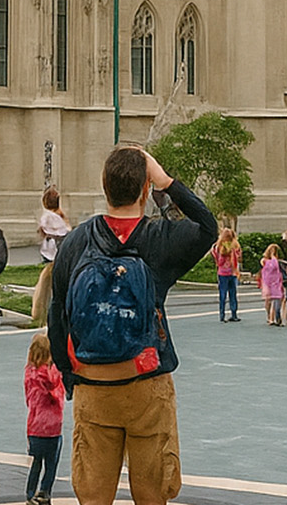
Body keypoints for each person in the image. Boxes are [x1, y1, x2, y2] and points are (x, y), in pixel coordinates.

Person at [48, 145, 216, 505]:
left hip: (94, 386)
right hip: (146, 384)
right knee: (153, 494)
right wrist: (166, 181)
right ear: (144, 190)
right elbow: (207, 226)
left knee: (93, 495)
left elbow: (57, 313)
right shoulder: (159, 240)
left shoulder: (77, 241)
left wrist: (70, 374)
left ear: (104, 186)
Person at [23, 332, 66, 505]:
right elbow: (57, 392)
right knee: (51, 464)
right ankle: (45, 491)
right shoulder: (50, 376)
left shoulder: (29, 374)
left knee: (36, 463)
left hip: (34, 426)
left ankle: (30, 494)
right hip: (53, 428)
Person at [33, 189, 71, 324]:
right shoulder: (57, 217)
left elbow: (44, 230)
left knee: (49, 281)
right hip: (57, 251)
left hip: (51, 252)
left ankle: (41, 312)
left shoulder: (47, 216)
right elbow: (67, 231)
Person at [212, 228, 243, 322]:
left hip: (222, 273)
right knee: (232, 294)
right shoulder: (235, 246)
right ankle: (234, 314)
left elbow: (219, 262)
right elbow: (239, 258)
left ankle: (222, 315)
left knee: (223, 294)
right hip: (232, 273)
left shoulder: (218, 246)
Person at [259, 244, 285, 326]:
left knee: (275, 299)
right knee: (268, 300)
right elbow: (271, 266)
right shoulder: (264, 260)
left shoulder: (277, 261)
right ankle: (269, 316)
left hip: (276, 281)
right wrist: (272, 257)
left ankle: (272, 317)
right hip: (267, 281)